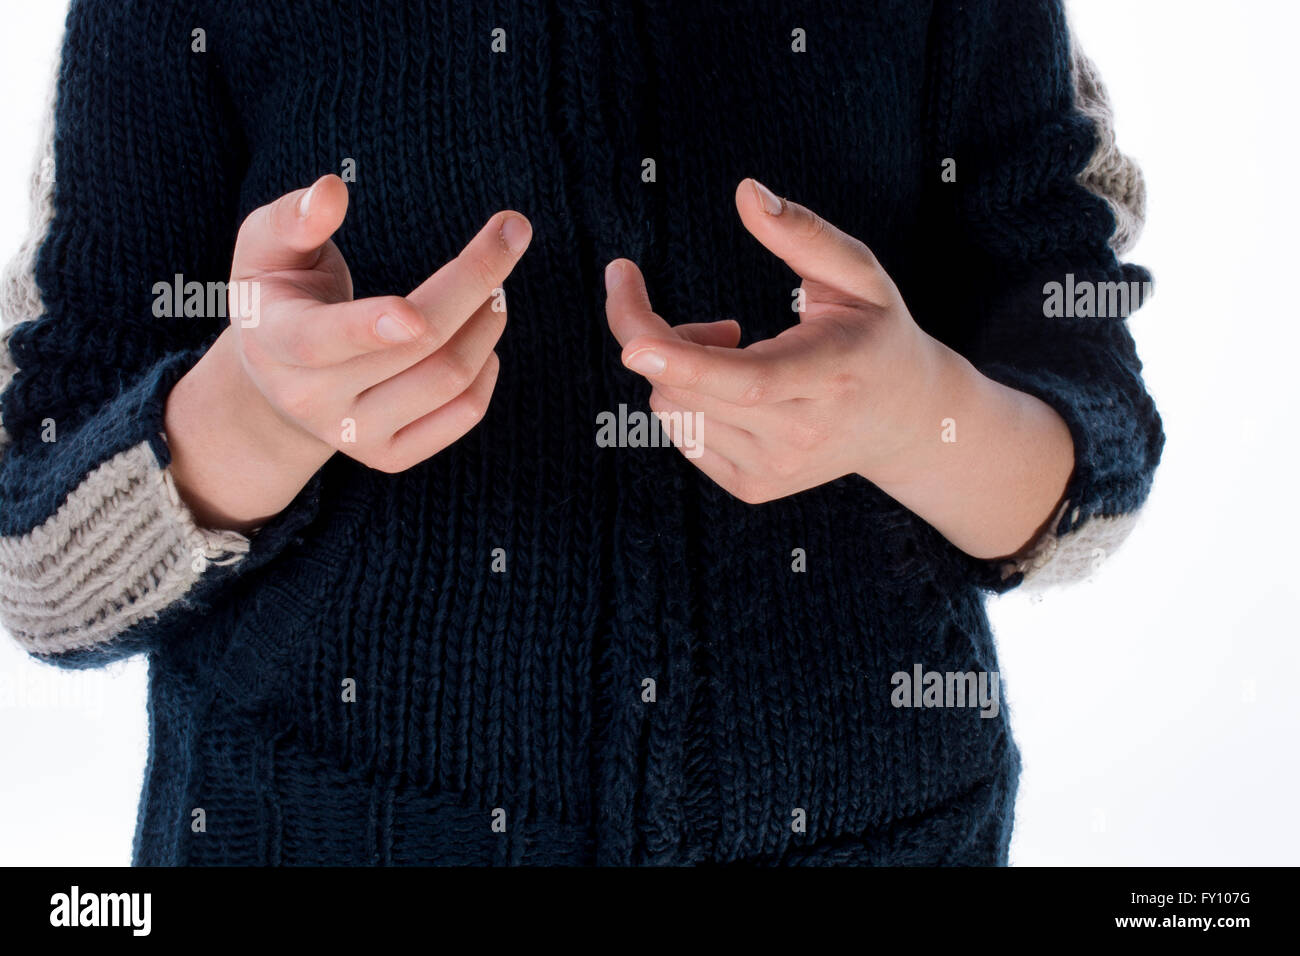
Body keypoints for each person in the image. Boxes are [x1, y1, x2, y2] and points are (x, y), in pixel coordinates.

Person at [0, 0, 1162, 865]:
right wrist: (249, 415)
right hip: (313, 829)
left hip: (886, 830)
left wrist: (919, 419)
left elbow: (1089, 422)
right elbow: (34, 555)